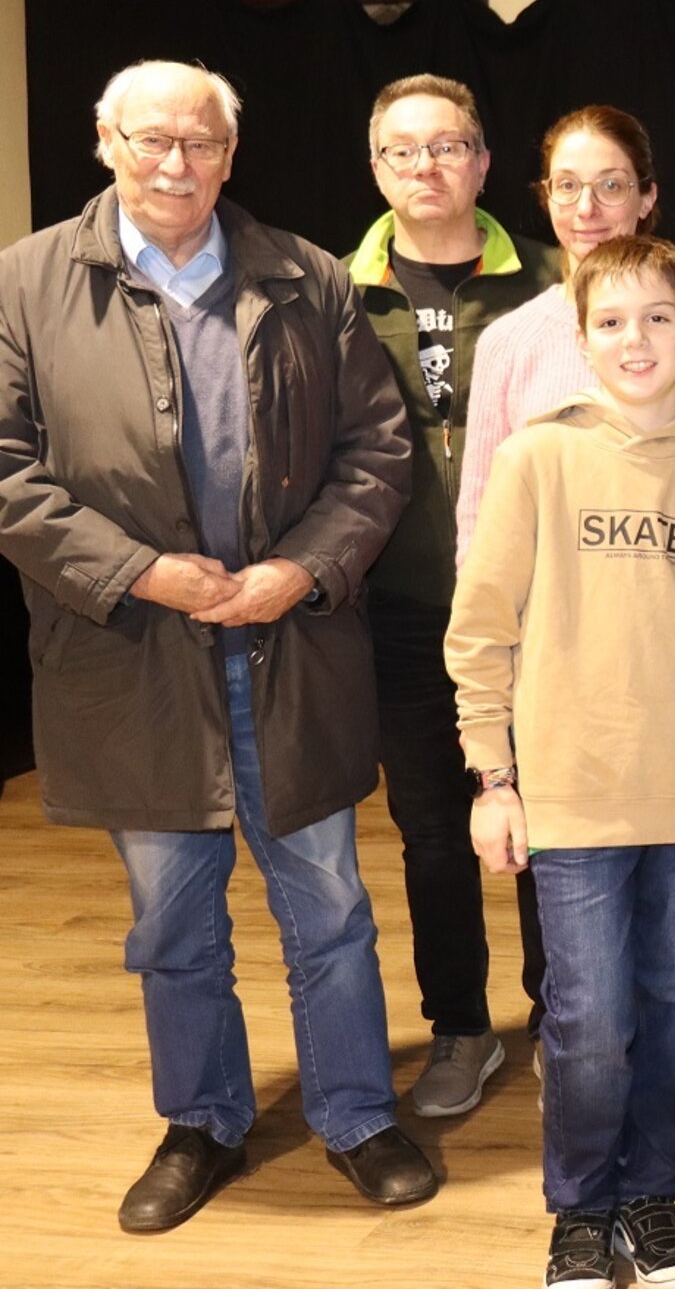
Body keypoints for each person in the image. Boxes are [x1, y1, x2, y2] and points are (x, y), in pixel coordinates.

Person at [0, 60, 434, 1229]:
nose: (175, 164)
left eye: (199, 144)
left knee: (329, 905)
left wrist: (301, 569)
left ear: (229, 155)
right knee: (172, 919)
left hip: (287, 646)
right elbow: (5, 470)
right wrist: (138, 570)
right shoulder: (25, 284)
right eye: (151, 141)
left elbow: (379, 452)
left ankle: (354, 1110)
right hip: (134, 654)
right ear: (105, 141)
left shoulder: (311, 278)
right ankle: (201, 1118)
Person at [458, 104, 675, 1213]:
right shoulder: (524, 395)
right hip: (567, 754)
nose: (587, 204)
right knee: (588, 1006)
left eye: (610, 183)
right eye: (565, 185)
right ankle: (585, 1206)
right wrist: (492, 762)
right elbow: (481, 572)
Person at [346, 73, 557, 1119]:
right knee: (432, 830)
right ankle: (461, 1028)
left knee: (547, 824)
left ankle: (561, 1013)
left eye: (449, 146)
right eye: (403, 150)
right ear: (376, 167)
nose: (426, 167)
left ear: (481, 159)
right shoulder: (334, 292)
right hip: (399, 609)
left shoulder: (552, 283)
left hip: (541, 614)